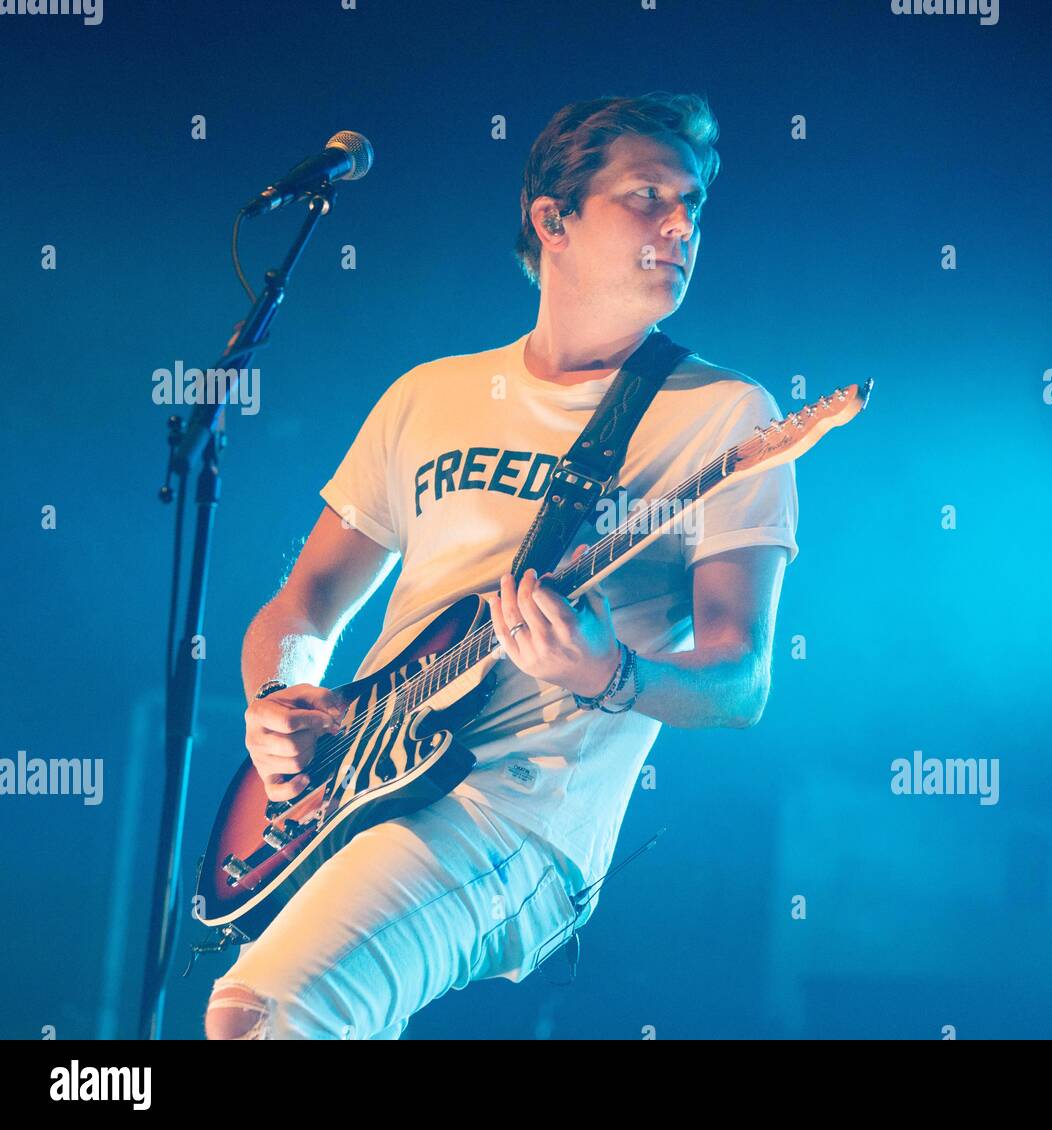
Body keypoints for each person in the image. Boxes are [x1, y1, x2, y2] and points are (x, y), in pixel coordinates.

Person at [204, 91, 798, 1039]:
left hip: (526, 818)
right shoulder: (428, 396)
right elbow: (309, 598)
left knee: (261, 1014)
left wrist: (610, 671)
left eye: (693, 204)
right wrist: (280, 700)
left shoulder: (727, 417)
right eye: (646, 195)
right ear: (552, 219)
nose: (681, 222)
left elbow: (743, 683)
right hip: (370, 784)